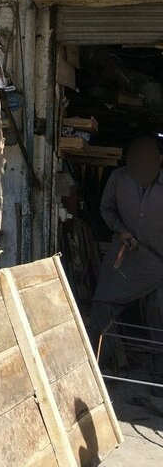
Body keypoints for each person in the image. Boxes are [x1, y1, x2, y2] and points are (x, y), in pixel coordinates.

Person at [91, 136, 163, 366]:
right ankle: (98, 366)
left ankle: (157, 373)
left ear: (159, 159)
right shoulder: (118, 178)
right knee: (103, 305)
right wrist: (120, 230)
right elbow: (107, 208)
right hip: (125, 257)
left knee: (158, 318)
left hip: (159, 264)